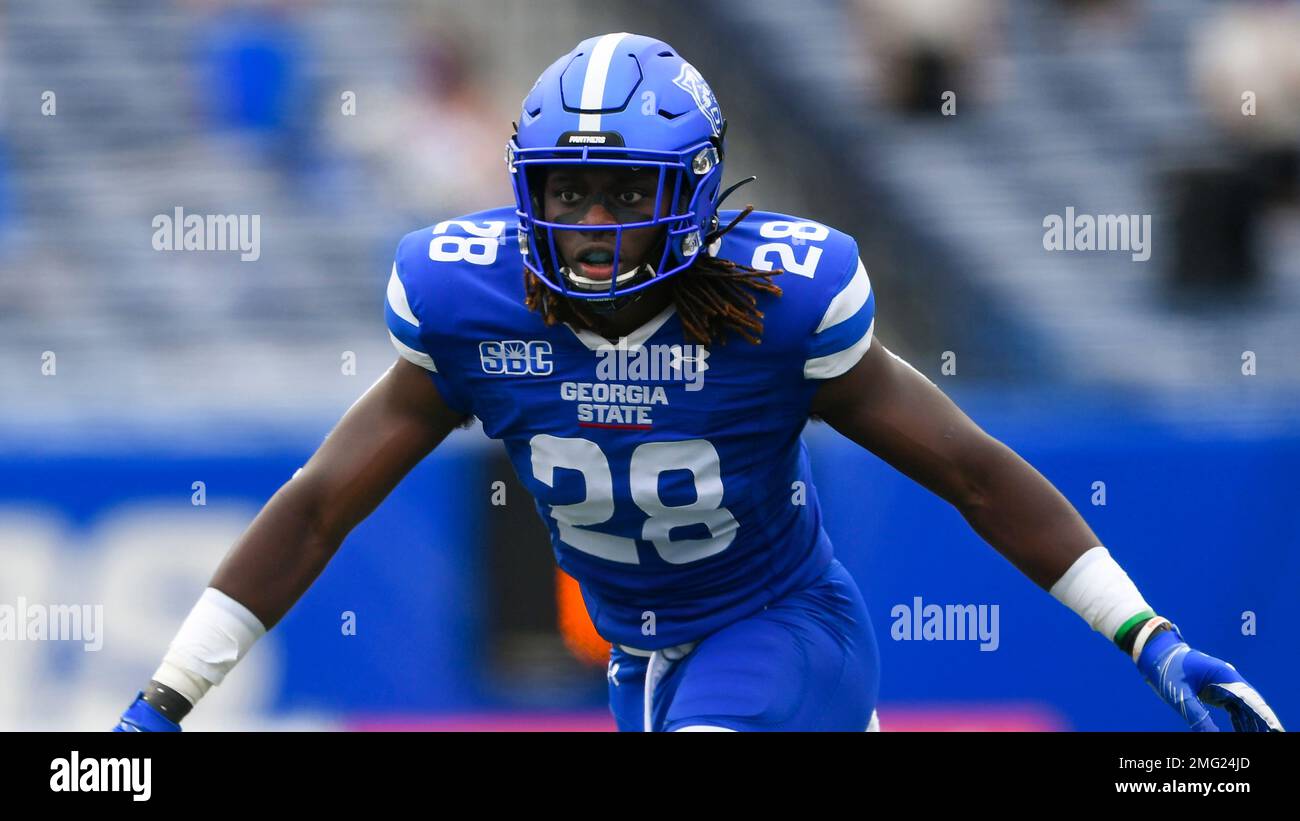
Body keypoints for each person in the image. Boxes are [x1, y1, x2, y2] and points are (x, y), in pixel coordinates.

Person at [115, 33, 1283, 733]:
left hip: (781, 630)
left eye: (624, 189)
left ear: (692, 190)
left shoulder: (780, 299)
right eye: (567, 191)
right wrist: (161, 702)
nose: (590, 222)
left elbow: (974, 474)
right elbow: (320, 504)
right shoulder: (466, 301)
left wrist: (1149, 636)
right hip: (640, 659)